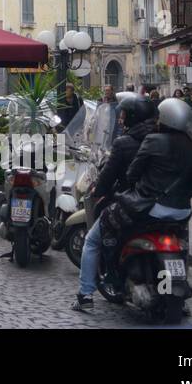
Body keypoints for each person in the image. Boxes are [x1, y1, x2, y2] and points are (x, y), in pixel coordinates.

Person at [72, 96, 156, 312]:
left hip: (130, 205)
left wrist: (96, 190)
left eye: (123, 115)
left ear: (132, 117)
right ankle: (178, 298)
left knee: (92, 241)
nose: (120, 119)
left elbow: (108, 176)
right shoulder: (160, 140)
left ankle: (85, 295)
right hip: (160, 205)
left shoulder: (124, 143)